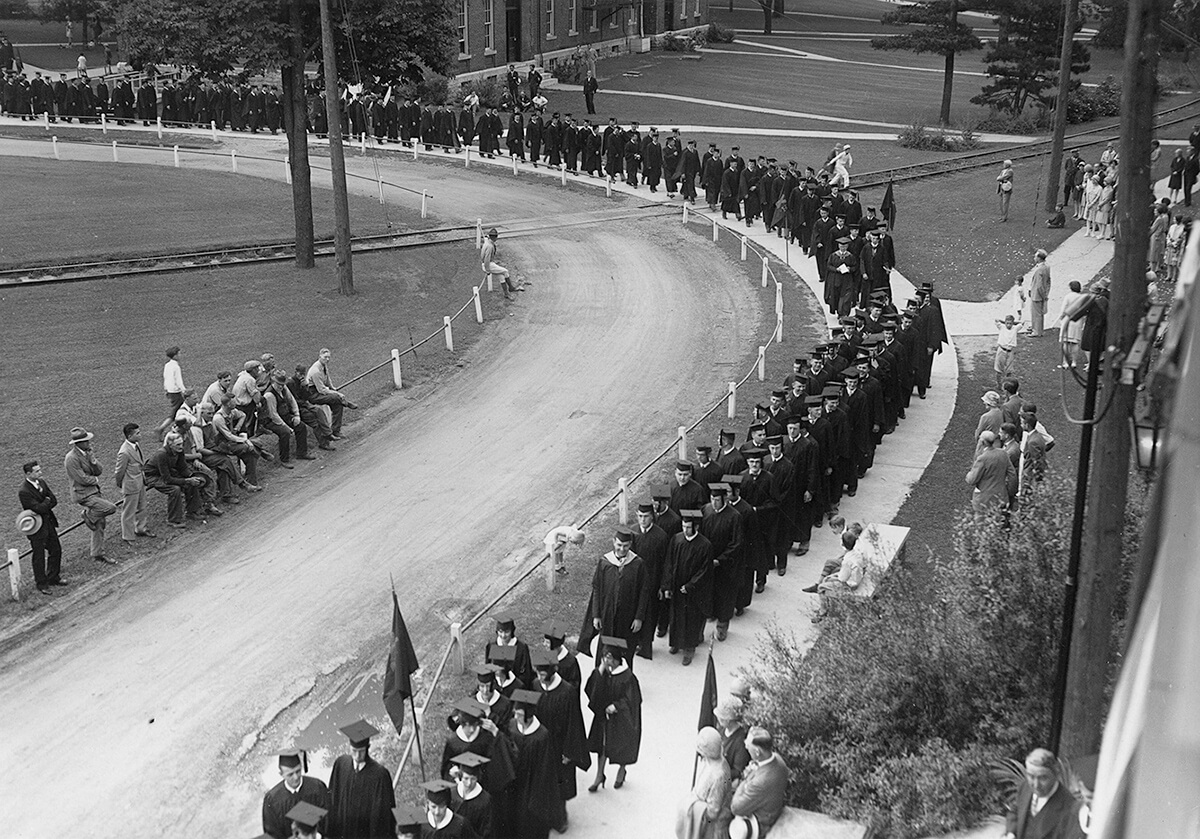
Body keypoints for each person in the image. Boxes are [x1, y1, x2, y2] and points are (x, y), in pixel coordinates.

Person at [529, 649, 590, 829]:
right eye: (538, 674)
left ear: (552, 671)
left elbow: (574, 724)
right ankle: (546, 816)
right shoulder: (535, 685)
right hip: (542, 744)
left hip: (561, 745)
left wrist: (569, 752)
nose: (540, 678)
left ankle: (561, 816)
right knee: (543, 781)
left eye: (543, 674)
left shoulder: (567, 691)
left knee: (560, 782)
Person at [580, 529, 651, 659]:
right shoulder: (605, 562)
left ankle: (622, 678)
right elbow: (596, 588)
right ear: (613, 542)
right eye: (619, 545)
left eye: (626, 546)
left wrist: (639, 617)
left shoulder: (637, 564)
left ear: (630, 545)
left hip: (627, 618)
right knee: (605, 652)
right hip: (607, 616)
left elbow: (644, 592)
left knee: (624, 653)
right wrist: (596, 615)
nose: (622, 549)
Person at [584, 637, 642, 792]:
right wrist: (600, 671)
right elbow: (591, 690)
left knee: (622, 746)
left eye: (609, 658)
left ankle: (622, 770)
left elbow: (633, 701)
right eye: (604, 657)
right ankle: (599, 775)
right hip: (604, 717)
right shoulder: (603, 672)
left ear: (617, 660)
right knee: (601, 745)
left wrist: (616, 706)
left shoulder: (628, 677)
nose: (606, 660)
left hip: (621, 719)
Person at [508, 690, 564, 839]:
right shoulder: (513, 728)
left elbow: (545, 770)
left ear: (528, 715)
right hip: (516, 785)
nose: (516, 717)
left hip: (534, 789)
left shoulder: (542, 736)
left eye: (519, 714)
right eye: (515, 713)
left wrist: (536, 797)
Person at [327, 720, 396, 839]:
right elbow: (333, 799)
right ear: (349, 747)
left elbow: (383, 816)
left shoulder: (379, 775)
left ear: (367, 748)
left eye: (361, 752)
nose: (357, 756)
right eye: (354, 751)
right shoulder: (341, 764)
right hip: (343, 831)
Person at [660, 510, 713, 666]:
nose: (685, 530)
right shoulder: (676, 540)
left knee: (691, 619)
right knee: (676, 616)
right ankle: (676, 643)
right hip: (677, 587)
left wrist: (690, 585)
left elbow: (704, 570)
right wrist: (668, 585)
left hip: (693, 590)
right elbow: (669, 563)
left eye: (688, 527)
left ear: (696, 526)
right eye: (683, 526)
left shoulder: (704, 545)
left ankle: (689, 649)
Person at [1002, 748, 1084, 839]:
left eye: (1043, 778)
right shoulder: (1025, 787)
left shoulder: (1070, 807)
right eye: (1031, 776)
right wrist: (1011, 834)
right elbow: (1015, 811)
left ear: (1056, 774)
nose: (1036, 785)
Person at [64, 426, 118, 564]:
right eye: (86, 441)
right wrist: (95, 480)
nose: (89, 443)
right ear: (79, 443)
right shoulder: (71, 458)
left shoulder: (87, 453)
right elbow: (81, 478)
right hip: (83, 494)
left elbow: (99, 470)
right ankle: (87, 516)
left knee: (100, 522)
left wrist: (93, 461)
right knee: (110, 508)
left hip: (93, 491)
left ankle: (97, 554)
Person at [729, 727, 789, 838]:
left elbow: (735, 808)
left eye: (748, 745)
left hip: (759, 823)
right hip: (771, 806)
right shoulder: (777, 758)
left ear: (757, 752)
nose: (745, 746)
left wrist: (745, 782)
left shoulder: (760, 782)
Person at [676, 726, 733, 839]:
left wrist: (691, 805)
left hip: (711, 829)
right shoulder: (714, 761)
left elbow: (713, 811)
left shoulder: (718, 775)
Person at [143, 431, 206, 529]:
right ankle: (173, 520)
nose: (181, 447)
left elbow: (183, 468)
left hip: (166, 473)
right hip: (152, 476)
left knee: (192, 483)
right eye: (178, 445)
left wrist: (192, 476)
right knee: (174, 489)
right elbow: (167, 479)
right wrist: (187, 480)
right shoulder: (161, 454)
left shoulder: (179, 451)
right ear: (170, 445)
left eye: (182, 444)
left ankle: (192, 511)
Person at [263, 750, 330, 839]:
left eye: (298, 771)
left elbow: (328, 820)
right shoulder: (273, 800)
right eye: (290, 774)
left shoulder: (317, 788)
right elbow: (272, 833)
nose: (295, 777)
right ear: (281, 774)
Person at [19, 461, 64, 595]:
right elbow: (38, 508)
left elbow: (54, 500)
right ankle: (41, 584)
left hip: (48, 523)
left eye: (39, 470)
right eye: (37, 471)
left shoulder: (42, 483)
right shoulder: (24, 491)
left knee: (56, 549)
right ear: (28, 474)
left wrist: (45, 503)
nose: (40, 472)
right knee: (38, 556)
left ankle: (53, 577)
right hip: (36, 527)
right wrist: (46, 501)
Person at [113, 422, 152, 543]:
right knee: (129, 512)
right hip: (131, 485)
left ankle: (141, 528)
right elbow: (119, 472)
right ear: (130, 436)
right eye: (137, 433)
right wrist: (122, 484)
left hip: (140, 482)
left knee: (142, 506)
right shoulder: (124, 452)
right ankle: (128, 536)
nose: (140, 435)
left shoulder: (136, 445)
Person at [307, 348, 359, 439]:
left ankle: (336, 430)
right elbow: (321, 390)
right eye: (325, 357)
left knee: (338, 404)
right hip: (313, 394)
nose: (327, 359)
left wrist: (332, 388)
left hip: (320, 391)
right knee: (336, 398)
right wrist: (337, 393)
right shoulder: (315, 371)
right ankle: (346, 403)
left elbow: (327, 379)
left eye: (328, 357)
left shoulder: (324, 366)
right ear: (319, 357)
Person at [966, 431, 1014, 515]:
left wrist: (968, 474)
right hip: (1001, 496)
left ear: (982, 442)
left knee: (982, 525)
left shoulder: (982, 458)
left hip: (984, 500)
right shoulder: (1003, 453)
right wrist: (1010, 492)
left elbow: (972, 480)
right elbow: (1012, 475)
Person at [449, 752, 495, 838]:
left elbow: (486, 831)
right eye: (466, 778)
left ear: (478, 778)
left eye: (473, 779)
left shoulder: (485, 800)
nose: (469, 783)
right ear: (460, 777)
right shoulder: (452, 793)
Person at [715, 696, 751, 781]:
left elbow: (738, 771)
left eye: (721, 717)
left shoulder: (740, 741)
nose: (718, 718)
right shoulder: (721, 729)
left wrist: (717, 772)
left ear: (728, 720)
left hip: (726, 781)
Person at [480, 228, 522, 301]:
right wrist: (487, 270)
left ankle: (506, 294)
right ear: (495, 237)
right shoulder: (489, 246)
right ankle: (511, 288)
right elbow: (486, 258)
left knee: (501, 276)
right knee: (505, 271)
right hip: (488, 265)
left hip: (489, 263)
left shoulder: (487, 242)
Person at [1056, 280, 1086, 370]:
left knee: (1065, 342)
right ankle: (1074, 362)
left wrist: (1061, 318)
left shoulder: (1068, 297)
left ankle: (1065, 362)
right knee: (1075, 342)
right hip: (1078, 321)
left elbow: (1063, 309)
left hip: (1068, 320)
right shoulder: (1082, 297)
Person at [1026, 249, 1051, 337]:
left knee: (1037, 314)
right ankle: (1035, 327)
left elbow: (1039, 285)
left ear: (1039, 258)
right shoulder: (1046, 267)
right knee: (1036, 313)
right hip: (1039, 293)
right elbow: (1048, 281)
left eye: (1036, 256)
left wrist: (1043, 295)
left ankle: (1037, 331)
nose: (1034, 258)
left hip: (1037, 295)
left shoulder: (1039, 270)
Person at [161, 345, 186, 431]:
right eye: (179, 353)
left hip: (170, 391)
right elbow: (178, 381)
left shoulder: (167, 365)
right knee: (176, 412)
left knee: (177, 411)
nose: (180, 355)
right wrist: (184, 391)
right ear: (175, 355)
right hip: (176, 392)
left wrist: (166, 389)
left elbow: (166, 377)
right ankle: (162, 428)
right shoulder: (176, 367)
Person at [994, 315, 1019, 390]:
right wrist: (1003, 322)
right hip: (1002, 350)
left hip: (1010, 351)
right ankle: (999, 385)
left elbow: (1021, 323)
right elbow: (996, 319)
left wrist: (1014, 322)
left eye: (1010, 323)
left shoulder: (1015, 328)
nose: (1008, 325)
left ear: (1013, 323)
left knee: (1009, 370)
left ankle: (1008, 386)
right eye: (1007, 323)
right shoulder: (1002, 327)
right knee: (999, 369)